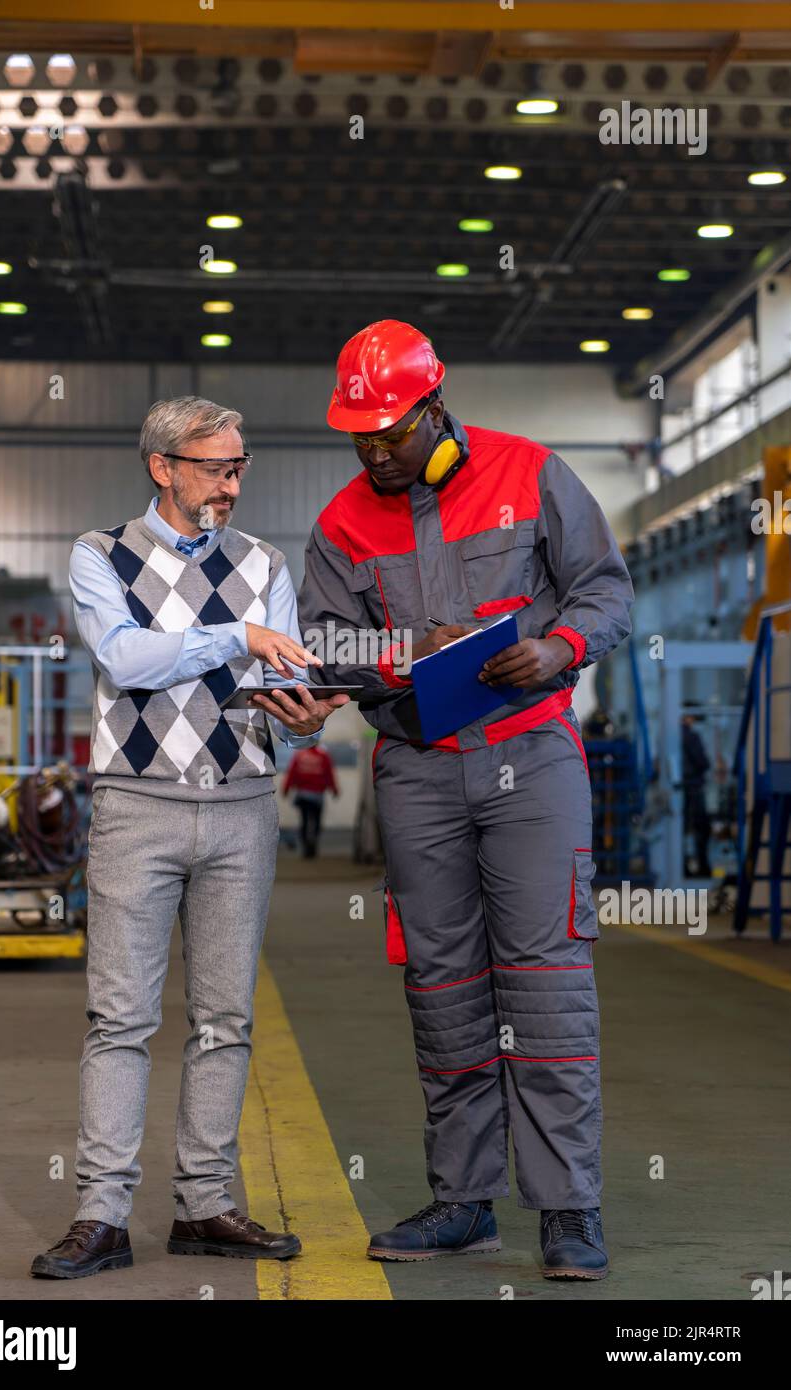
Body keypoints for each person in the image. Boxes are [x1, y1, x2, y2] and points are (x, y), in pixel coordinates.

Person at [298, 321, 634, 1278]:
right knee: (442, 986)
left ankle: (568, 1210)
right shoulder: (341, 524)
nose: (376, 453)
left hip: (529, 754)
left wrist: (557, 648)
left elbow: (604, 594)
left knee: (547, 984)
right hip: (417, 768)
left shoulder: (532, 475)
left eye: (391, 434)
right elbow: (330, 649)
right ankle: (463, 1204)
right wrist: (401, 652)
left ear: (434, 409)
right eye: (359, 439)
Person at [31, 396, 347, 1279]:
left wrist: (306, 720)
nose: (232, 483)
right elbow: (126, 660)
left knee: (224, 1019)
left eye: (240, 466)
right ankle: (100, 1216)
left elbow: (278, 701)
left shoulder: (265, 563)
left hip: (243, 805)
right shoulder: (102, 555)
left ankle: (205, 1205)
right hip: (139, 804)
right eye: (215, 466)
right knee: (120, 1018)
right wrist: (238, 634)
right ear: (162, 467)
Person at [282, 743, 340, 857]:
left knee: (304, 822)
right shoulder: (323, 756)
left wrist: (286, 788)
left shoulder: (299, 756)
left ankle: (305, 846)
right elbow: (329, 774)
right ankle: (313, 844)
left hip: (303, 795)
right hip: (318, 796)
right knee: (317, 822)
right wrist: (334, 789)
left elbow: (292, 773)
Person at [682, 709, 712, 878]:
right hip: (693, 787)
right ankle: (703, 867)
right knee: (702, 828)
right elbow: (703, 762)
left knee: (682, 829)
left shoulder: (669, 736)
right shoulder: (691, 737)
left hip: (681, 788)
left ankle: (683, 866)